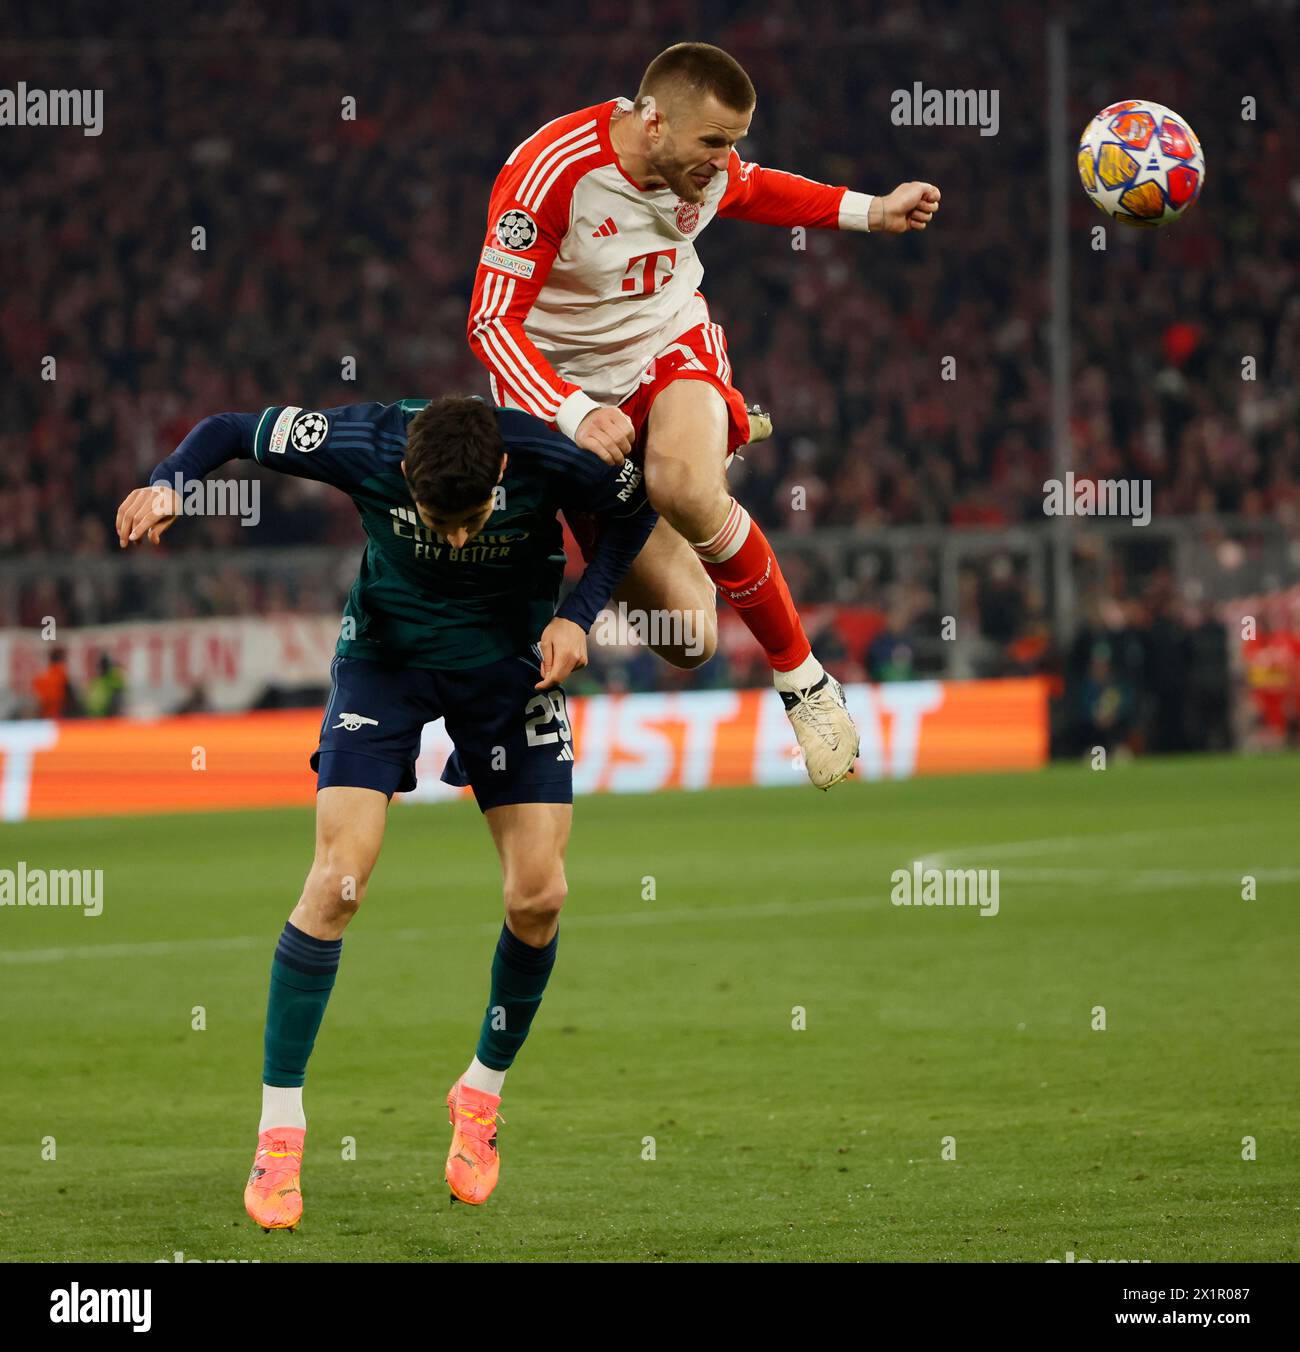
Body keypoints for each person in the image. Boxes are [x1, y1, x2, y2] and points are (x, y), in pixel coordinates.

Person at [114, 395, 658, 1221]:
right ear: (404, 473)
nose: (457, 538)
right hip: (385, 663)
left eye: (472, 520)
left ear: (503, 471)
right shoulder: (361, 441)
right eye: (441, 521)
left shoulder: (552, 450)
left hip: (511, 671)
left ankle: (479, 1096)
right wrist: (170, 484)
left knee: (539, 895)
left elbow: (635, 508)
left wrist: (578, 616)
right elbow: (230, 429)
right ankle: (279, 1135)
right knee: (337, 883)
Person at [468, 41, 940, 788]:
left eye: (735, 142)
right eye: (715, 142)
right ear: (652, 122)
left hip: (668, 342)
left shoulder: (706, 168)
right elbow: (492, 324)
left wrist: (871, 211)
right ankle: (688, 473)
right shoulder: (551, 176)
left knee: (684, 488)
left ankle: (807, 685)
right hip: (570, 397)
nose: (726, 160)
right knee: (688, 639)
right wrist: (572, 412)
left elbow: (759, 190)